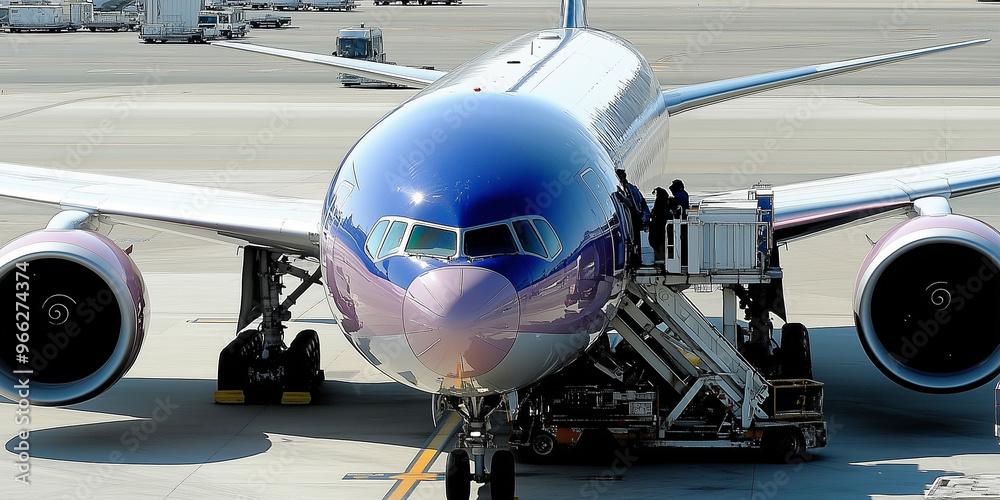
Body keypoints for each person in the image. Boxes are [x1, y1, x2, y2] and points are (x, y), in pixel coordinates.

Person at [616, 169, 649, 265]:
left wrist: (622, 199)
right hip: (637, 217)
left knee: (634, 239)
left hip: (634, 217)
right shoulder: (632, 188)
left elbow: (632, 204)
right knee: (636, 240)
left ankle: (635, 259)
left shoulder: (627, 189)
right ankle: (636, 258)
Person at [648, 187, 671, 263]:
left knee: (657, 242)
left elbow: (656, 212)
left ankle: (659, 258)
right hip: (660, 226)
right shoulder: (666, 203)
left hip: (658, 226)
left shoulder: (660, 203)